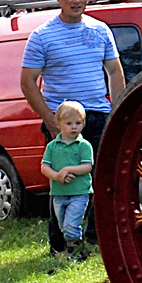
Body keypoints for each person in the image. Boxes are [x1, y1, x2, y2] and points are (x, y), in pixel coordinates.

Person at [19, 0, 124, 253]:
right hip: (62, 119)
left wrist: (118, 110)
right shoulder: (42, 35)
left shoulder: (100, 30)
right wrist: (51, 121)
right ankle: (60, 243)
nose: (77, 0)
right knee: (61, 182)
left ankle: (95, 237)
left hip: (98, 115)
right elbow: (27, 82)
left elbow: (114, 71)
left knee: (103, 178)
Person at [39, 101, 93, 260]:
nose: (74, 127)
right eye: (69, 123)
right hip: (58, 193)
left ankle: (76, 256)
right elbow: (44, 167)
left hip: (79, 192)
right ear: (58, 124)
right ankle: (78, 250)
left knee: (71, 225)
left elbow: (87, 167)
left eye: (78, 123)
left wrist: (68, 170)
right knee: (64, 226)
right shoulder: (52, 147)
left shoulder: (84, 145)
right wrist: (56, 176)